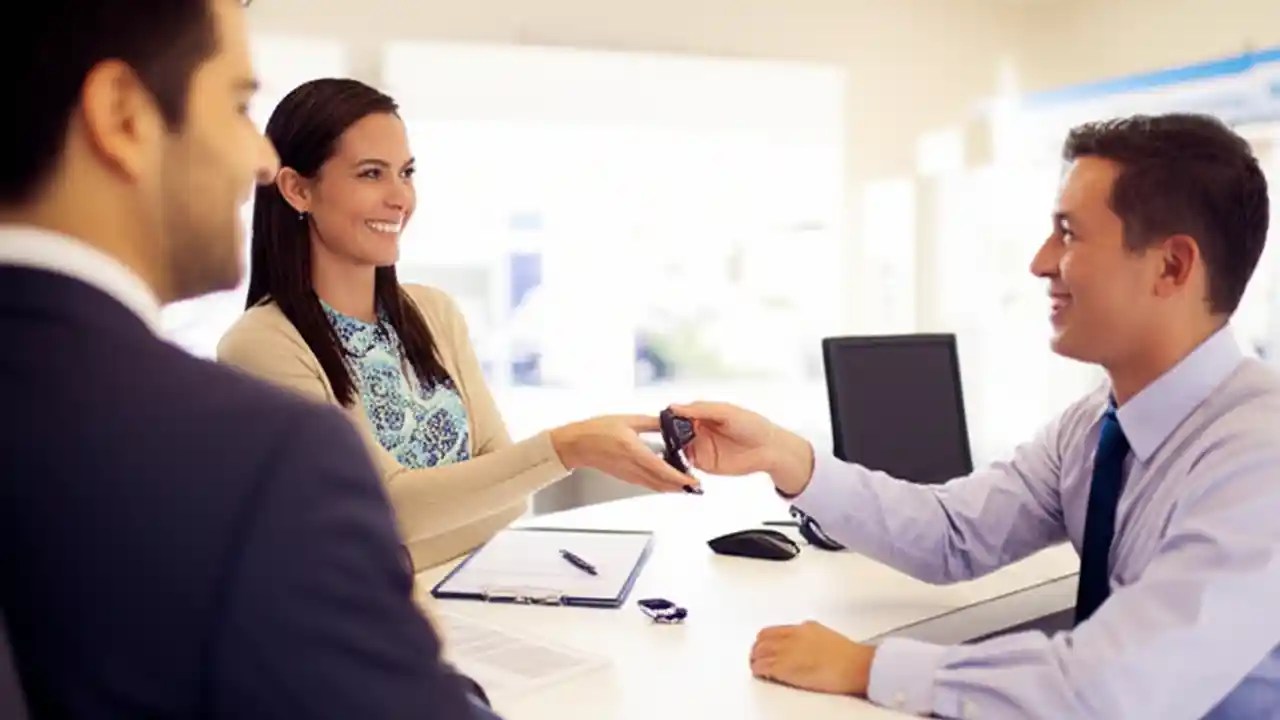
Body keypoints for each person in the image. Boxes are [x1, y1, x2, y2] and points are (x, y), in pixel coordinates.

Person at [673, 114, 1280, 719]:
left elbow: (1116, 687)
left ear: (1171, 266)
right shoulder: (1095, 425)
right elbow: (952, 534)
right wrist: (784, 456)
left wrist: (868, 668)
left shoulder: (1261, 454)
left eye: (1069, 234)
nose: (1040, 262)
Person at [1, 1, 507, 717]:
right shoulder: (264, 454)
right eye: (239, 106)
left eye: (405, 171)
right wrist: (413, 638)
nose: (262, 160)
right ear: (122, 116)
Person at [216, 77, 694, 570]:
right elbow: (388, 508)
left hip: (469, 597)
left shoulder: (434, 313)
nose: (400, 197)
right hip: (360, 612)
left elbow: (510, 499)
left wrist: (399, 550)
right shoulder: (261, 345)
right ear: (297, 189)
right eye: (371, 173)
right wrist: (564, 449)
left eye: (406, 173)